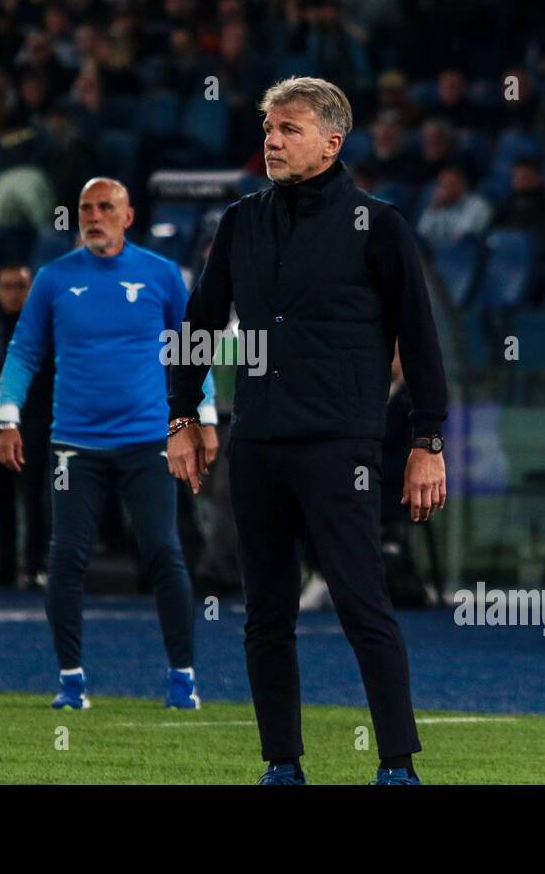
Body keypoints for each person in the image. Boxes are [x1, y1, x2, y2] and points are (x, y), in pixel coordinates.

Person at [167, 77, 449, 785]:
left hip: (340, 445)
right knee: (265, 614)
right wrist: (184, 416)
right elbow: (199, 326)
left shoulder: (379, 225)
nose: (272, 139)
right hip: (257, 443)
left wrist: (427, 442)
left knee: (362, 604)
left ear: (332, 140)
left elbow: (419, 340)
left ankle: (396, 765)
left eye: (290, 129)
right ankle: (282, 764)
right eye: (269, 128)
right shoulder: (240, 221)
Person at [0, 177, 218, 711]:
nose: (93, 216)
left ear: (128, 215)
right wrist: (7, 417)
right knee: (66, 557)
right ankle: (71, 681)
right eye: (85, 208)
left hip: (148, 441)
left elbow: (189, 351)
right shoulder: (52, 279)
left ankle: (183, 677)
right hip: (74, 445)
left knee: (164, 552)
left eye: (105, 207)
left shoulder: (163, 275)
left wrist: (203, 416)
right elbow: (24, 352)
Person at [0, 263, 53, 588]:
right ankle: (2, 564)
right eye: (7, 286)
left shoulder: (42, 329)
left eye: (20, 286)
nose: (13, 293)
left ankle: (35, 565)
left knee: (35, 497)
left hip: (35, 423)